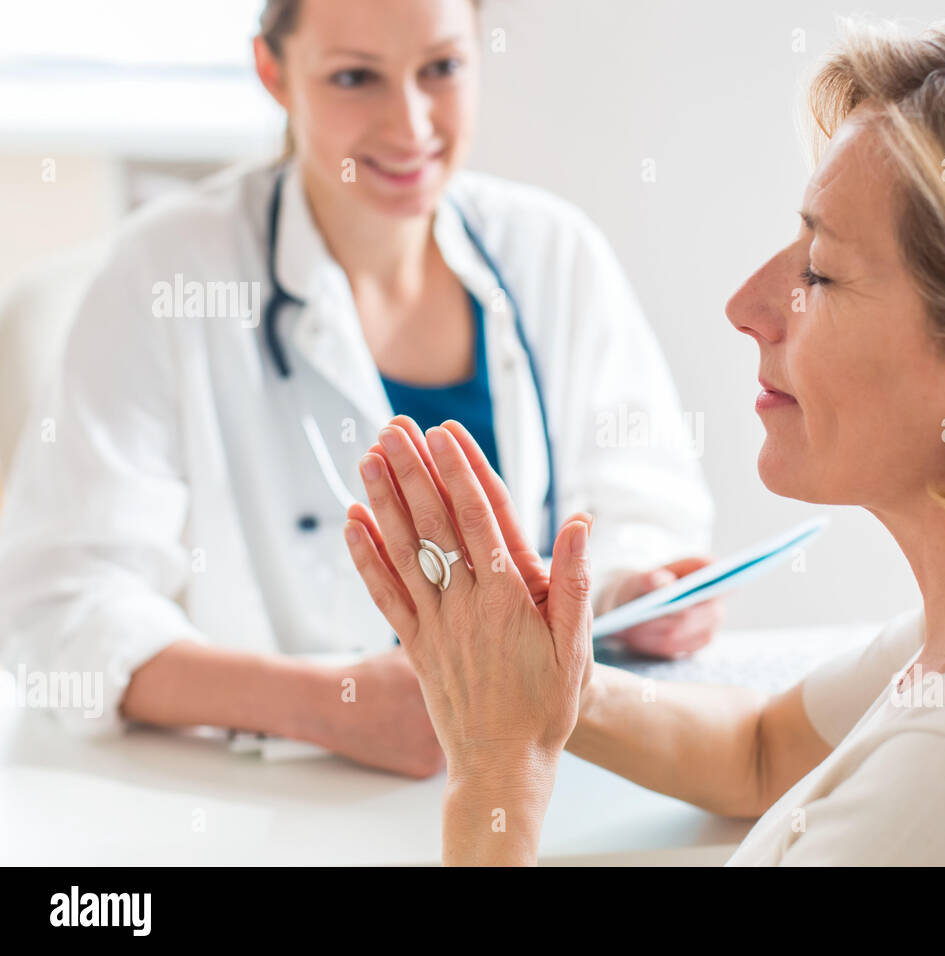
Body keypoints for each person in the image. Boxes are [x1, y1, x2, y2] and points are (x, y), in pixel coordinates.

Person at [345, 17, 945, 863]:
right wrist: (545, 682)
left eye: (823, 272)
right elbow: (759, 750)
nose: (748, 307)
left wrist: (494, 769)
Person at [0, 0, 720, 779]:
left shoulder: (553, 254)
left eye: (441, 69)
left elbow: (642, 508)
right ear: (274, 73)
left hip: (537, 784)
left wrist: (634, 592)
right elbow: (60, 611)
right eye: (354, 77)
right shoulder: (167, 274)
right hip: (274, 803)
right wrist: (327, 702)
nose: (410, 126)